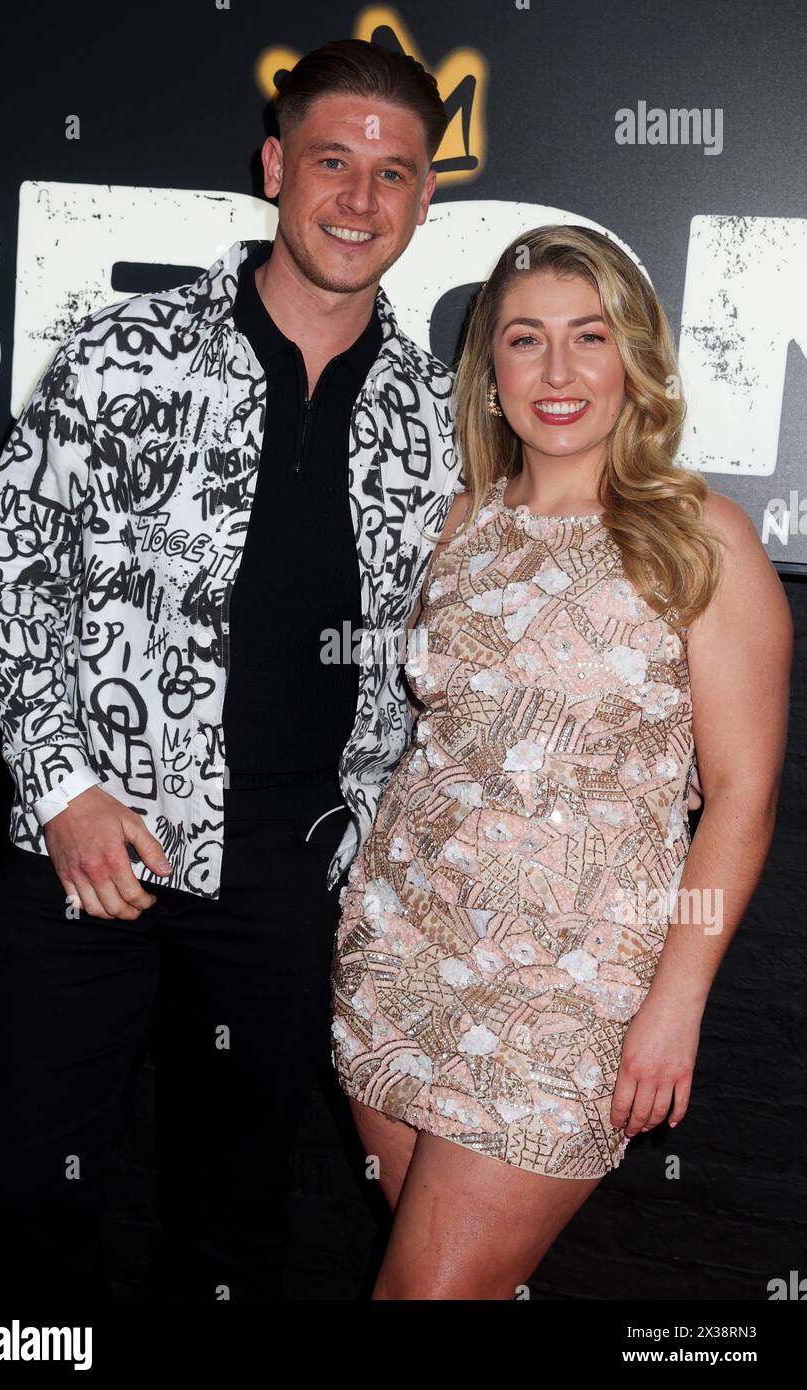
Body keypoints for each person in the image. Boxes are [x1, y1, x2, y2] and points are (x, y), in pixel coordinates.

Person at [0, 39, 461, 1302]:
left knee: (232, 1224)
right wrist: (63, 791)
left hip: (291, 887)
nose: (357, 198)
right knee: (17, 1199)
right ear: (275, 166)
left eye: (391, 174)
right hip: (91, 859)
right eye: (332, 161)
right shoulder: (127, 351)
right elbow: (3, 568)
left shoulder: (435, 421)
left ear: (421, 202)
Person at [330, 224, 793, 1299]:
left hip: (572, 994)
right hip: (398, 951)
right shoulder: (455, 527)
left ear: (632, 355)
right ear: (487, 372)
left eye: (588, 337)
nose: (556, 370)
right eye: (524, 339)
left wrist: (674, 1002)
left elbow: (741, 796)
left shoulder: (699, 537)